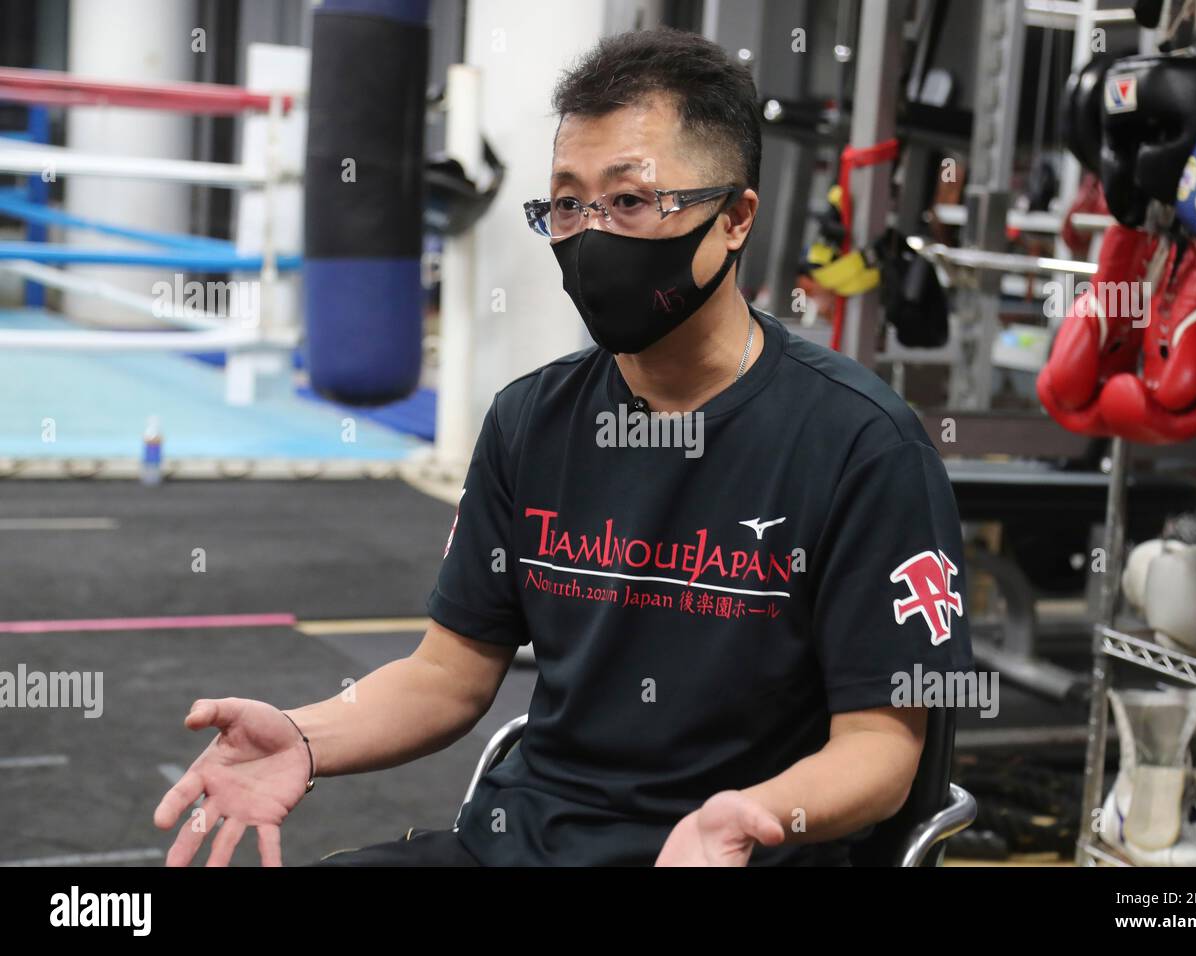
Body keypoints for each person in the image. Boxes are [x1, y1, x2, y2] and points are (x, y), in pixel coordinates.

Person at [154, 27, 973, 868]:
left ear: (734, 218)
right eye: (568, 203)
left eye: (629, 201)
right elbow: (447, 675)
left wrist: (744, 819)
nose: (589, 234)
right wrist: (304, 735)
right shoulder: (530, 421)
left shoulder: (861, 445)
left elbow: (881, 753)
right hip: (525, 844)